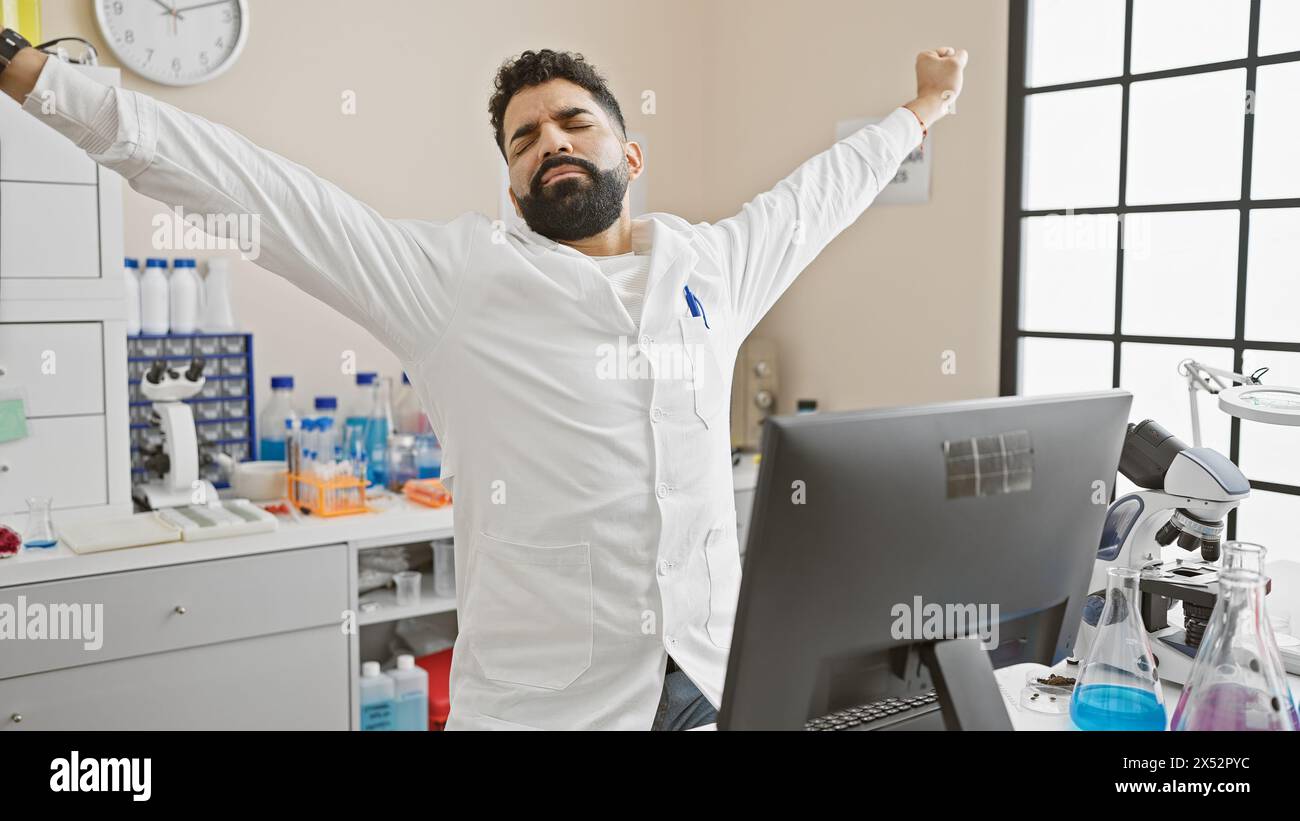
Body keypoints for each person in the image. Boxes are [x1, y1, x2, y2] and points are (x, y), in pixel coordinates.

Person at [0, 37, 966, 730]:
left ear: (629, 156)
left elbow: (820, 197)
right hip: (548, 708)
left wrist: (921, 110)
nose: (550, 140)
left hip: (711, 685)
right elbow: (251, 187)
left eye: (572, 122)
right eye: (524, 137)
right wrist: (28, 73)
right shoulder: (454, 280)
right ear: (512, 187)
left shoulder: (712, 264)